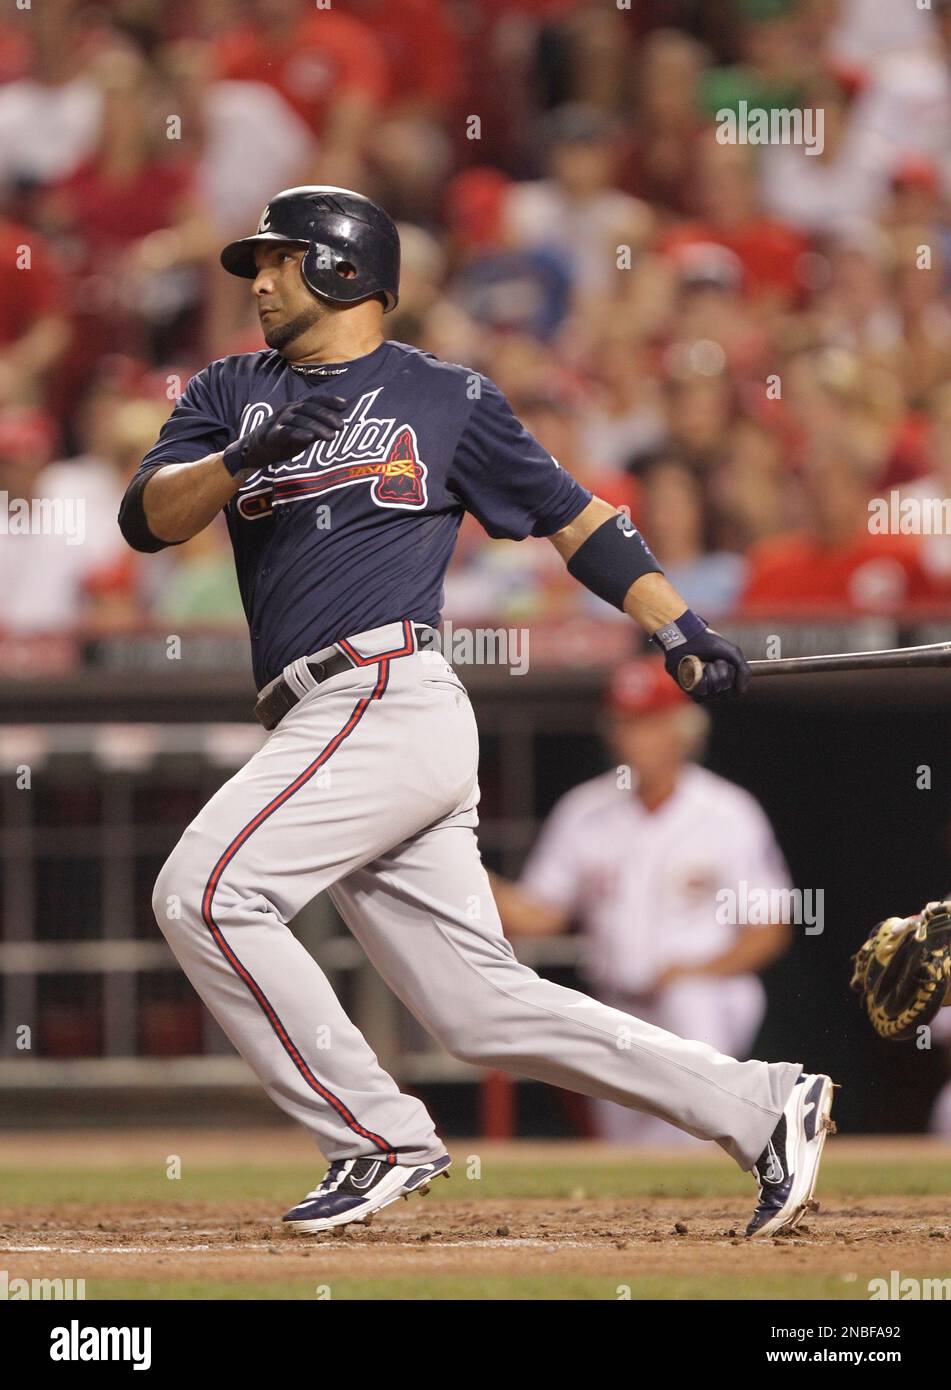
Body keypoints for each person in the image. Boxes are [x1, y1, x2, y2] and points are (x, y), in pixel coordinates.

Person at [118, 185, 835, 1240]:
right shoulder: (231, 389)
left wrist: (677, 621)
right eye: (257, 263)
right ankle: (762, 1102)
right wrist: (242, 460)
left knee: (204, 890)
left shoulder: (443, 395)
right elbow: (145, 519)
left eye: (278, 259)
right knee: (478, 1007)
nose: (258, 280)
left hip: (386, 694)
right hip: (321, 717)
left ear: (343, 268)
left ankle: (374, 1137)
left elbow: (576, 517)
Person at [491, 657, 791, 1144]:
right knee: (630, 1148)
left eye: (647, 723)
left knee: (692, 1097)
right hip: (619, 1003)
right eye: (625, 722)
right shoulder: (586, 810)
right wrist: (469, 876)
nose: (633, 737)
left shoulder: (727, 811)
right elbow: (540, 914)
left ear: (681, 729)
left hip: (705, 996)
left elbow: (769, 927)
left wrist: (695, 970)